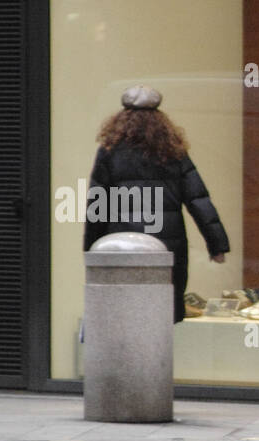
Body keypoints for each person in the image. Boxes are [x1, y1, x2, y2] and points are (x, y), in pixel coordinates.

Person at [84, 85, 229, 323]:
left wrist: (91, 249)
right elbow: (198, 198)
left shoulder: (109, 151)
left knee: (124, 313)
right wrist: (217, 244)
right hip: (166, 243)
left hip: (122, 245)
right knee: (160, 313)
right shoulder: (173, 152)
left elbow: (97, 204)